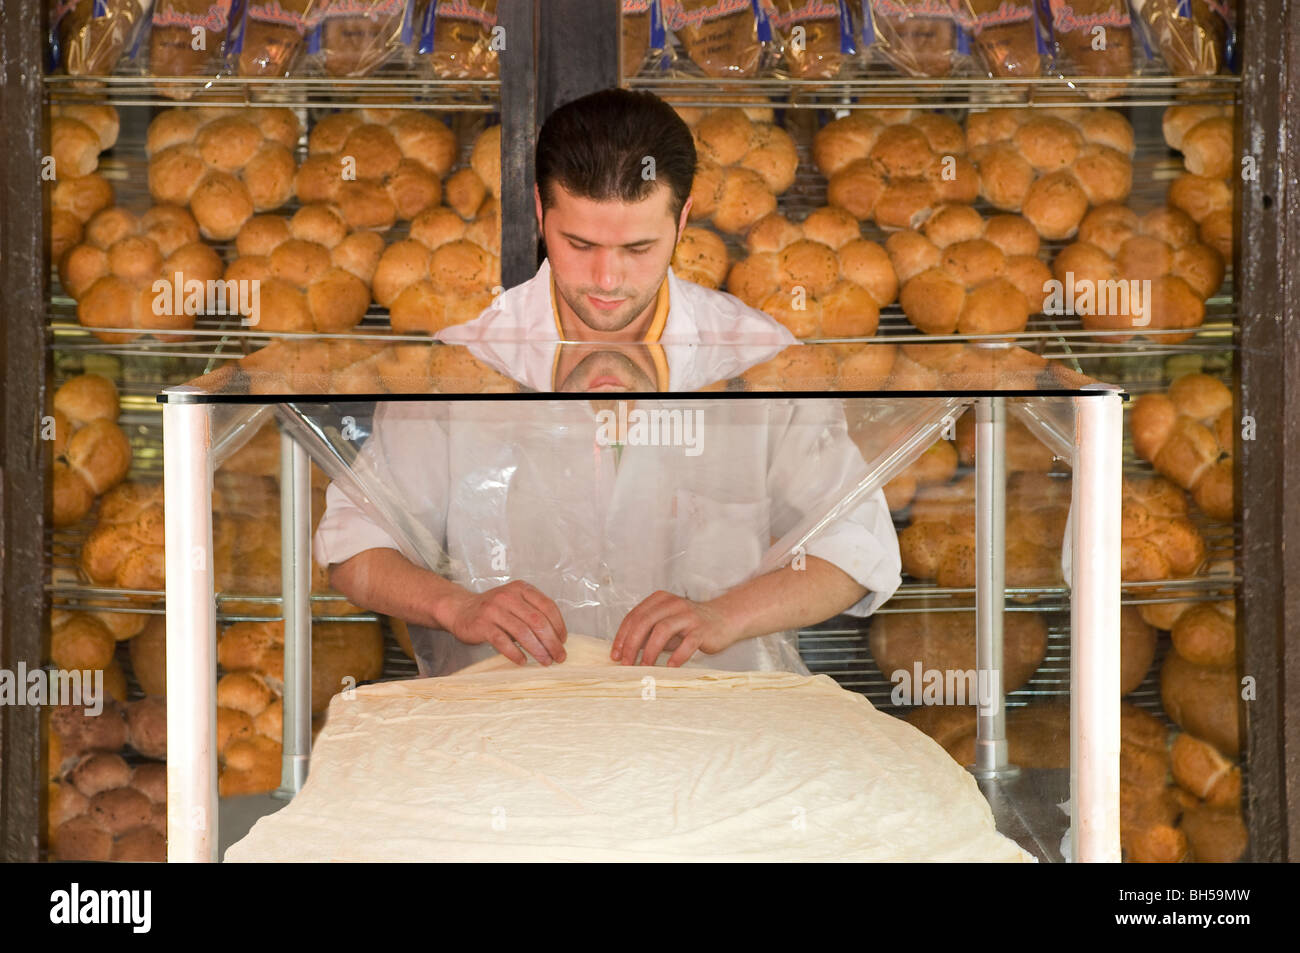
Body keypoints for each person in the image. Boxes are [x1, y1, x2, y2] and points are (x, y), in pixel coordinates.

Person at [315, 89, 901, 675]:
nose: (606, 278)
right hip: (513, 729)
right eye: (580, 244)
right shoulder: (467, 360)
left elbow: (855, 547)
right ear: (541, 215)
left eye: (638, 247)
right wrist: (454, 606)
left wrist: (724, 617)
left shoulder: (756, 357)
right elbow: (352, 543)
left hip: (714, 729)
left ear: (684, 219)